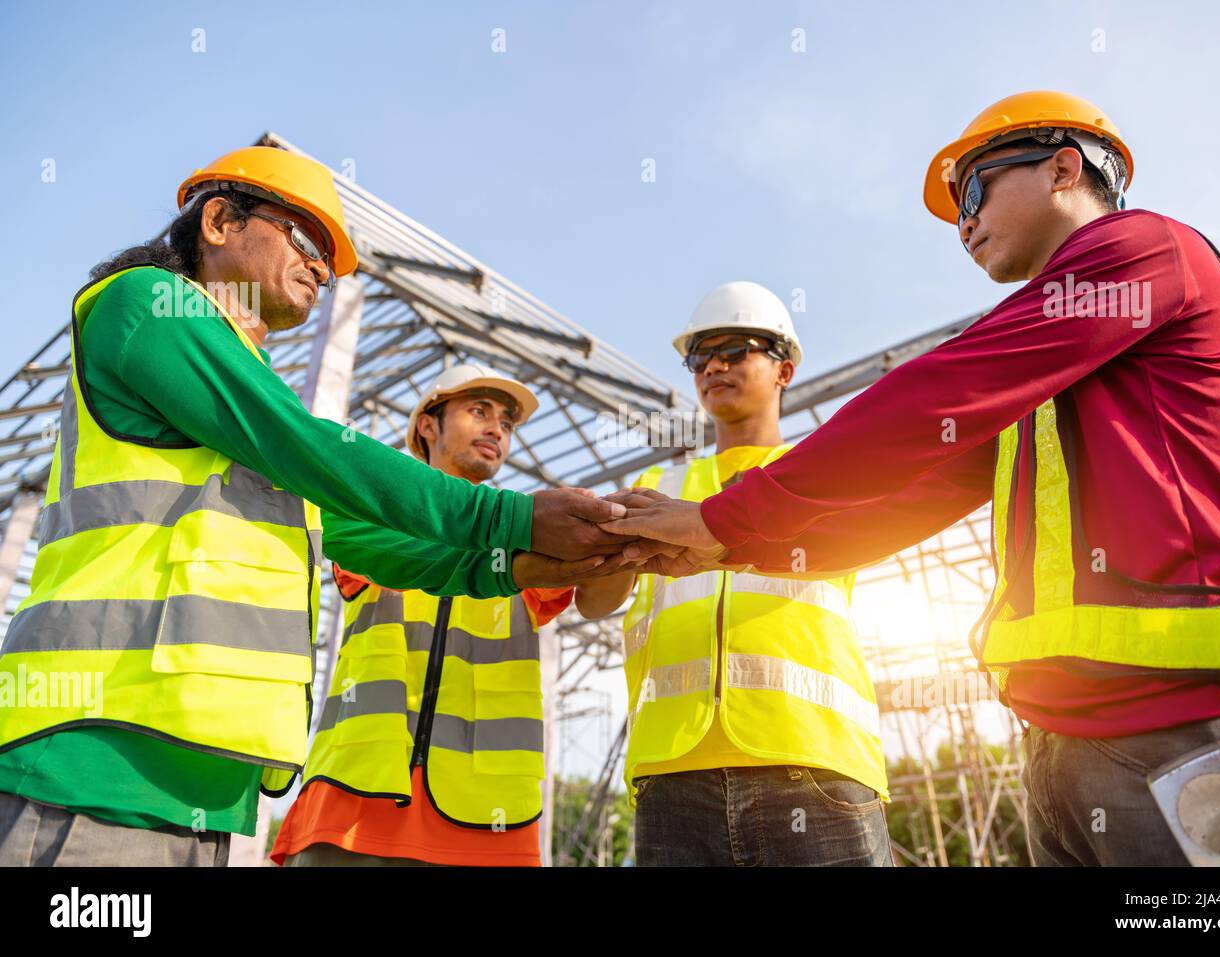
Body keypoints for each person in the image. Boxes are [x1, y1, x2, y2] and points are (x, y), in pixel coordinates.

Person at [603, 91, 1220, 866]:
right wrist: (722, 547)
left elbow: (936, 393)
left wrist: (719, 519)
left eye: (974, 191)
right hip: (1065, 746)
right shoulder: (1053, 354)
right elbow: (897, 509)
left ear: (1065, 166)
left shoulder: (1144, 252)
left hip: (1191, 723)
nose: (963, 225)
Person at [0, 146, 633, 867]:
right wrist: (512, 518)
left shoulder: (239, 402)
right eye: (306, 241)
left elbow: (376, 543)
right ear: (217, 220)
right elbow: (308, 444)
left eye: (329, 265)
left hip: (203, 788)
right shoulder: (144, 304)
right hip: (89, 764)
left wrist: (534, 555)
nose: (321, 272)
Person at [577, 282, 891, 867]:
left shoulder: (825, 472)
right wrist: (610, 548)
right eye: (699, 356)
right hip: (675, 775)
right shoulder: (656, 487)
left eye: (735, 348)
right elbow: (594, 603)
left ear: (785, 370)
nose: (713, 365)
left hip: (811, 760)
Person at [273, 365, 571, 866]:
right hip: (355, 810)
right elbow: (416, 547)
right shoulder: (371, 513)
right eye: (479, 411)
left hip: (486, 823)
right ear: (427, 427)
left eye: (507, 422)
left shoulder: (528, 538)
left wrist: (623, 534)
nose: (497, 428)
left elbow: (599, 586)